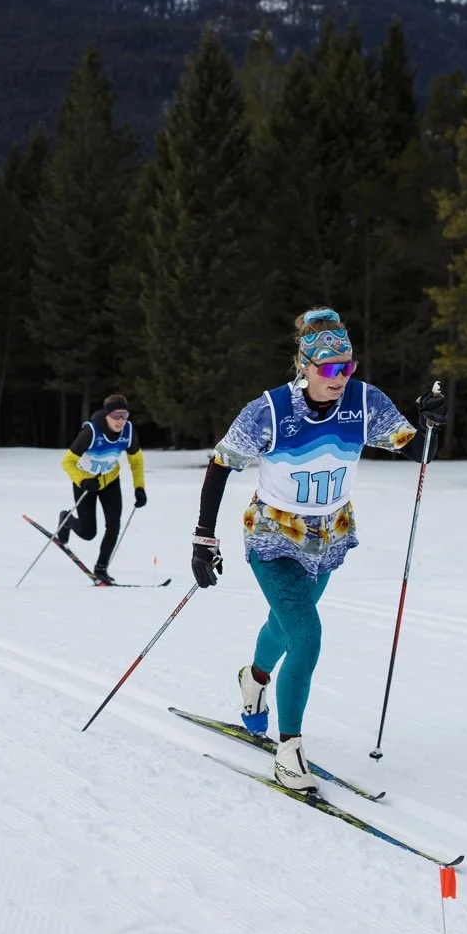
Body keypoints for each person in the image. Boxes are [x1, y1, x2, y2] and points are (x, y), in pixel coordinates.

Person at [190, 306, 447, 792]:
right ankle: (289, 750)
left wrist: (430, 422)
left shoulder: (364, 402)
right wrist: (204, 540)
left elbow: (420, 450)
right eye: (329, 368)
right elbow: (221, 465)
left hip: (327, 538)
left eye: (347, 366)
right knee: (306, 635)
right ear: (304, 365)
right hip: (273, 537)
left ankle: (255, 677)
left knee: (284, 627)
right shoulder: (268, 412)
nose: (340, 377)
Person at [56, 393, 147, 585]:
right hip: (86, 484)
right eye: (116, 416)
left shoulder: (128, 432)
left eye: (125, 415)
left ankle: (101, 569)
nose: (120, 421)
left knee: (113, 526)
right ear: (106, 415)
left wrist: (139, 488)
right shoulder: (91, 432)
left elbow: (136, 461)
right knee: (88, 533)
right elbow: (68, 462)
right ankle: (66, 519)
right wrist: (83, 481)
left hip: (110, 482)